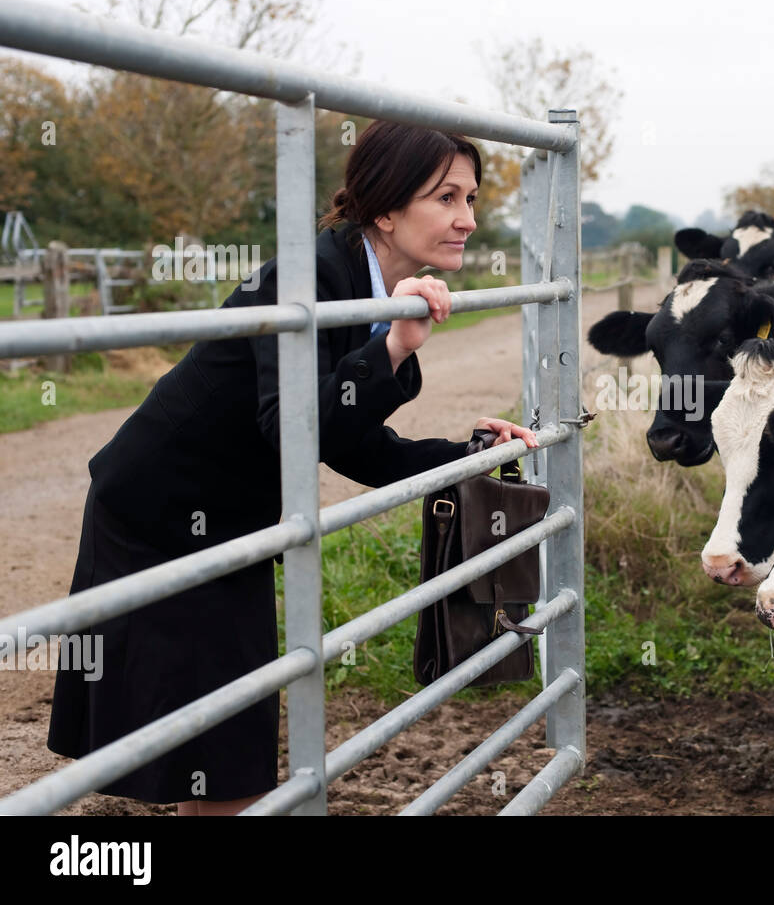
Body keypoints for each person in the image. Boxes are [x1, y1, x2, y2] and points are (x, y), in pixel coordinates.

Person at [47, 120, 536, 815]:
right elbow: (295, 426)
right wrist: (393, 349)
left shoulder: (366, 285)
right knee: (224, 756)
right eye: (448, 198)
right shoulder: (305, 280)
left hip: (227, 523)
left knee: (228, 746)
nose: (469, 219)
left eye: (472, 198)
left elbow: (352, 442)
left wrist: (468, 454)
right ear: (387, 207)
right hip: (162, 519)